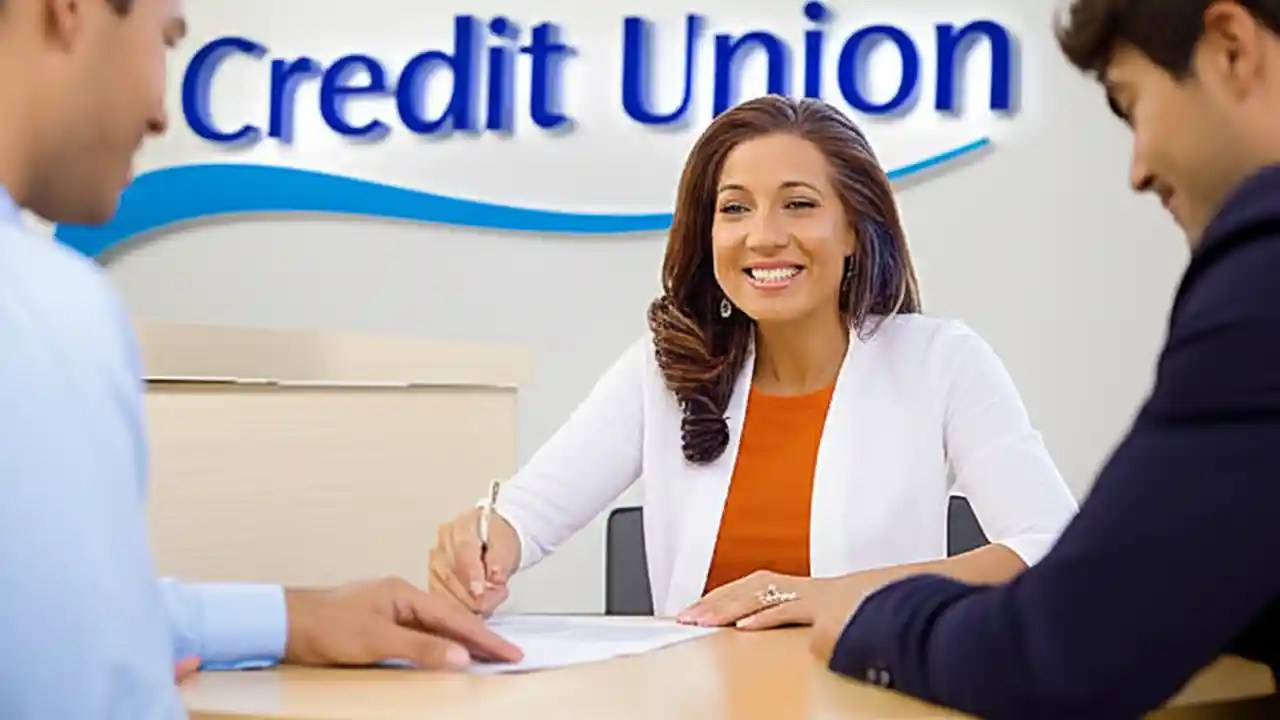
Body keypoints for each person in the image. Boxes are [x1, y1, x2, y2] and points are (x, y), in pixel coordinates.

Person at [0, 0, 520, 716]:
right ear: (69, 10)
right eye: (165, 40)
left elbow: (48, 610)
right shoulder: (41, 308)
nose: (162, 114)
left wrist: (294, 618)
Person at [428, 94, 1078, 629]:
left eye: (799, 204)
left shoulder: (942, 362)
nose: (763, 236)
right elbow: (525, 516)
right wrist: (486, 544)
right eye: (734, 208)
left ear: (854, 230)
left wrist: (835, 596)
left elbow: (1049, 546)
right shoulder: (663, 370)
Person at [810, 0, 1280, 717]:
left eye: (1131, 104)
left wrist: (870, 613)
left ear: (1231, 48)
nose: (1137, 171)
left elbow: (1061, 650)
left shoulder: (1263, 278)